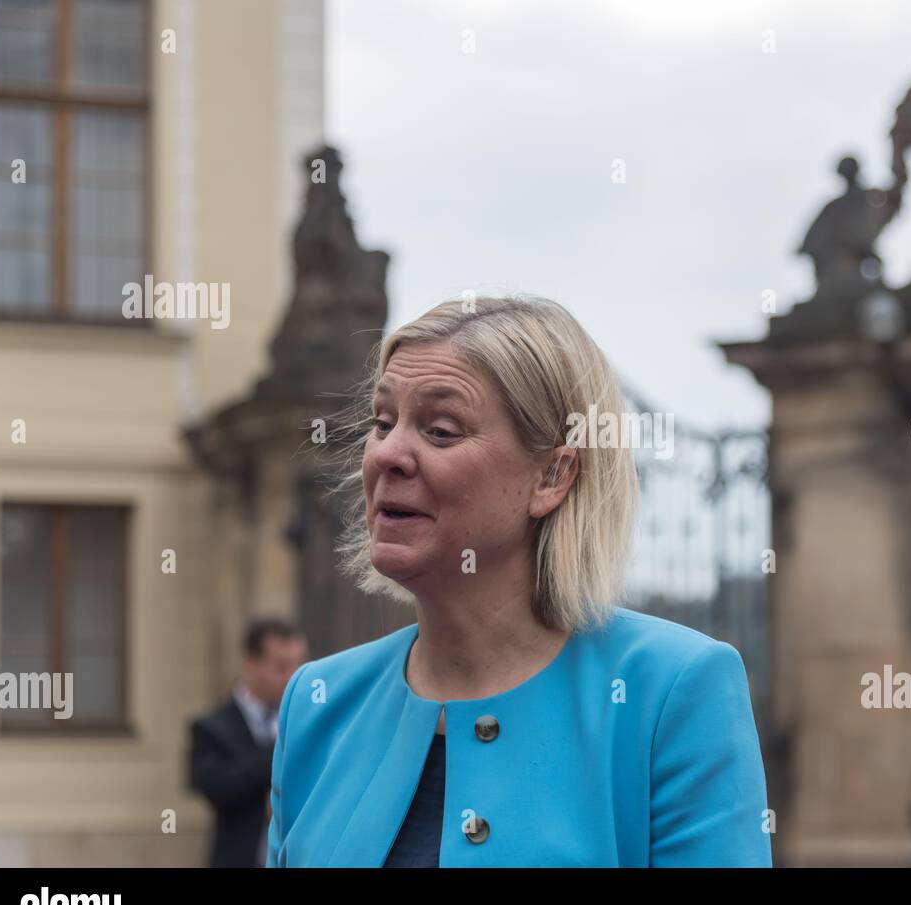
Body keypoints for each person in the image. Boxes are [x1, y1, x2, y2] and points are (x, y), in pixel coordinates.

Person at [265, 295, 772, 867]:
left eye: (439, 429)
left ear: (553, 476)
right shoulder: (318, 703)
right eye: (383, 423)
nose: (388, 454)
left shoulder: (671, 692)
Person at [189, 618, 307, 867]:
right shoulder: (212, 727)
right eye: (282, 666)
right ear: (252, 664)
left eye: (298, 665)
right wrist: (278, 753)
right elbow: (214, 786)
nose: (293, 676)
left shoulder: (306, 719)